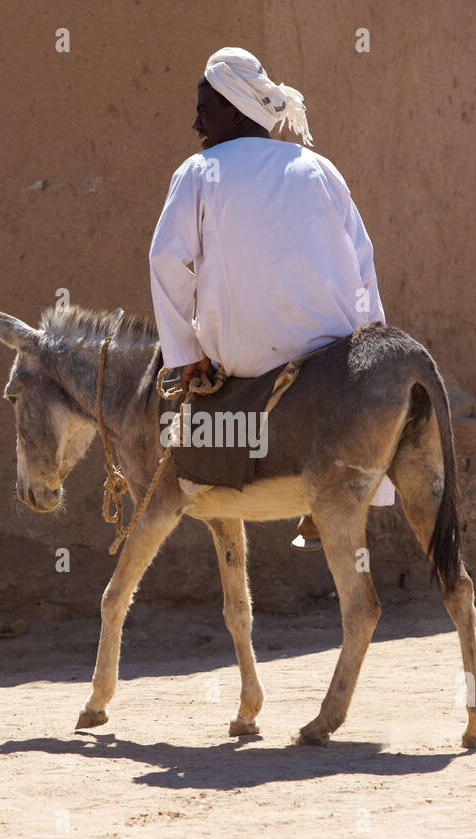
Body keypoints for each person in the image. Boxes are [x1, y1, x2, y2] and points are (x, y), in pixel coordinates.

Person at [148, 46, 395, 552]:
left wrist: (187, 356)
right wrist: (373, 356)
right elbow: (363, 268)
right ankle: (345, 497)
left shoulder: (199, 172)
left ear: (235, 111)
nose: (196, 123)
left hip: (247, 360)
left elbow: (165, 263)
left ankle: (207, 484)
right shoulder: (321, 169)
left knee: (177, 424)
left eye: (204, 109)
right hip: (336, 358)